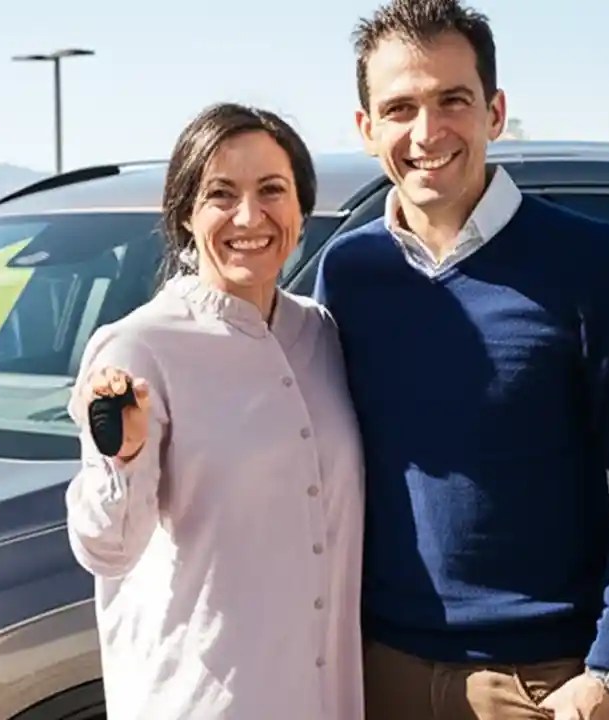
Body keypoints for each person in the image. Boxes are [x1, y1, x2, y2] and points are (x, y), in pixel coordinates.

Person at [313, 1, 609, 719]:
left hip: (539, 682)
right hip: (377, 671)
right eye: (399, 108)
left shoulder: (590, 261)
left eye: (452, 100)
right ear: (366, 129)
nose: (427, 132)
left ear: (494, 111)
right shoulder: (349, 272)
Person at [64, 102, 365, 719]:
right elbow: (106, 550)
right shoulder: (139, 347)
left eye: (272, 190)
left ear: (301, 210)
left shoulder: (321, 333)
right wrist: (123, 459)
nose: (249, 217)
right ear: (186, 214)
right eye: (221, 194)